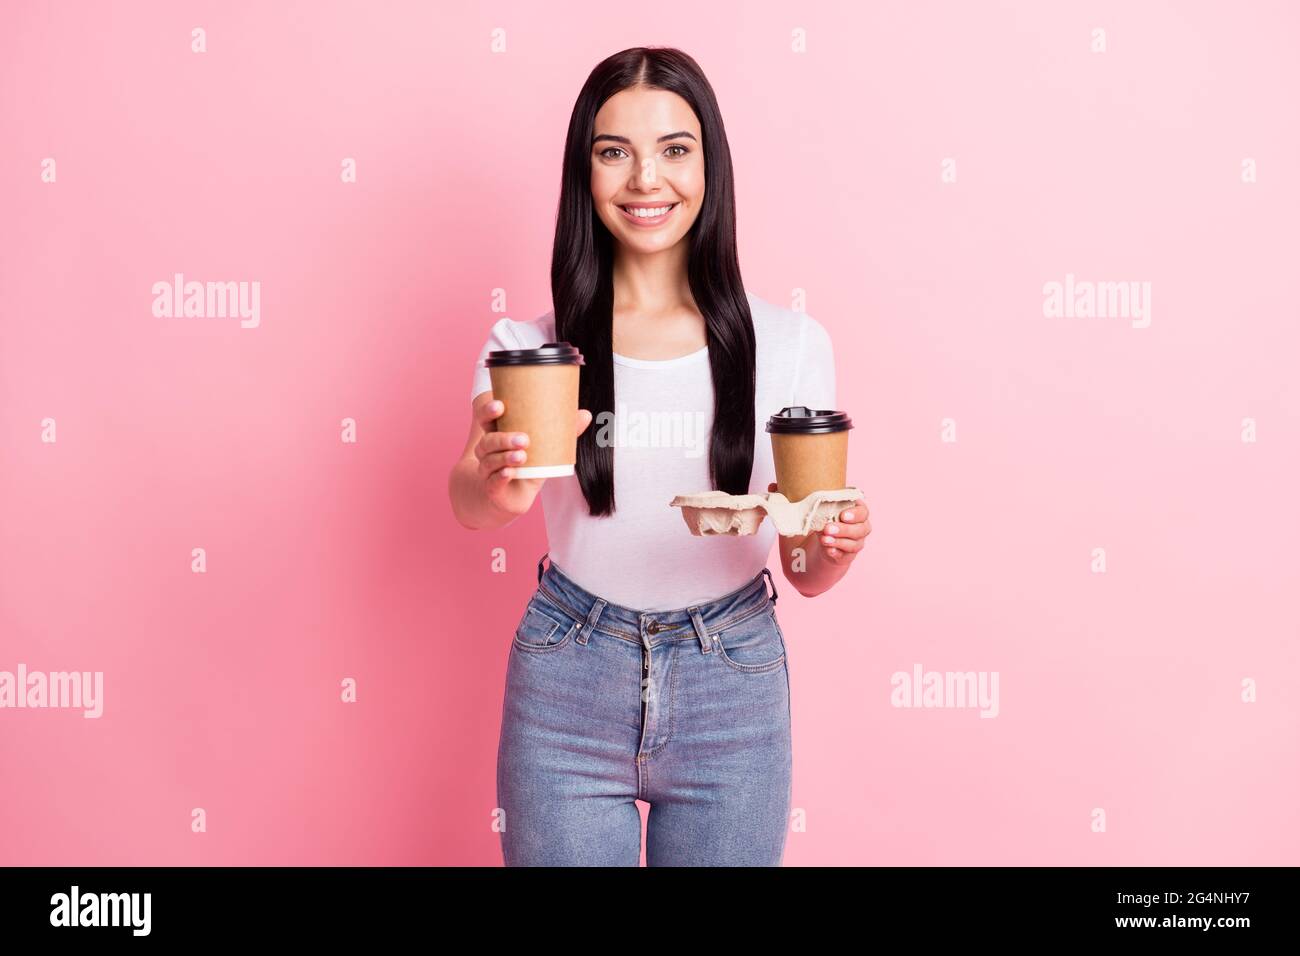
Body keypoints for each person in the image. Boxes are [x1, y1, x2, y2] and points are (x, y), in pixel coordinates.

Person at [448, 46, 871, 866]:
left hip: (733, 682)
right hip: (568, 675)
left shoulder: (790, 345)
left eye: (674, 149)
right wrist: (496, 486)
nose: (647, 179)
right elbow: (470, 496)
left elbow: (806, 567)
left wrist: (830, 549)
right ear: (586, 170)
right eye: (616, 152)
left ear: (710, 164)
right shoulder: (531, 348)